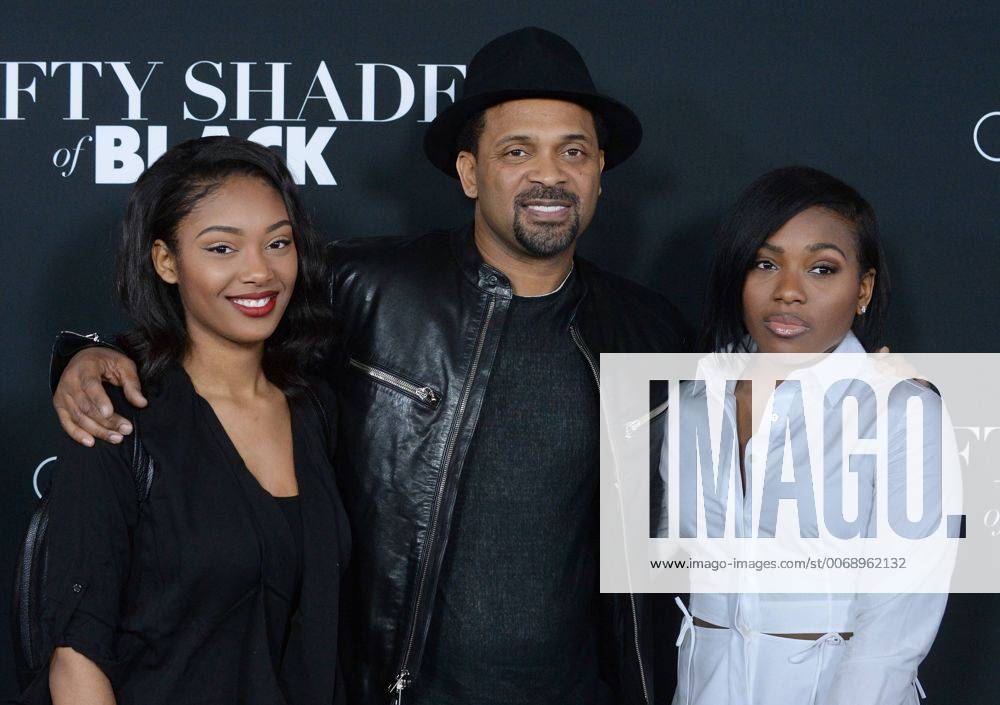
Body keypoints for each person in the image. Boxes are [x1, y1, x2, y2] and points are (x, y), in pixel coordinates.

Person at [48, 28, 686, 704]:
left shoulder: (648, 329)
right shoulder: (371, 288)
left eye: (574, 151)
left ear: (599, 171)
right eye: (518, 150)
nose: (550, 175)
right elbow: (228, 314)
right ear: (470, 172)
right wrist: (91, 357)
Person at [21, 137, 351, 705]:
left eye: (278, 243)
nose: (259, 272)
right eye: (222, 248)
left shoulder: (314, 408)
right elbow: (77, 660)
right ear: (166, 261)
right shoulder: (114, 416)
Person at [660, 166, 950, 705]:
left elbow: (894, 632)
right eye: (765, 263)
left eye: (821, 268)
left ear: (862, 289)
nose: (788, 292)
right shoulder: (693, 408)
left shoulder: (902, 411)